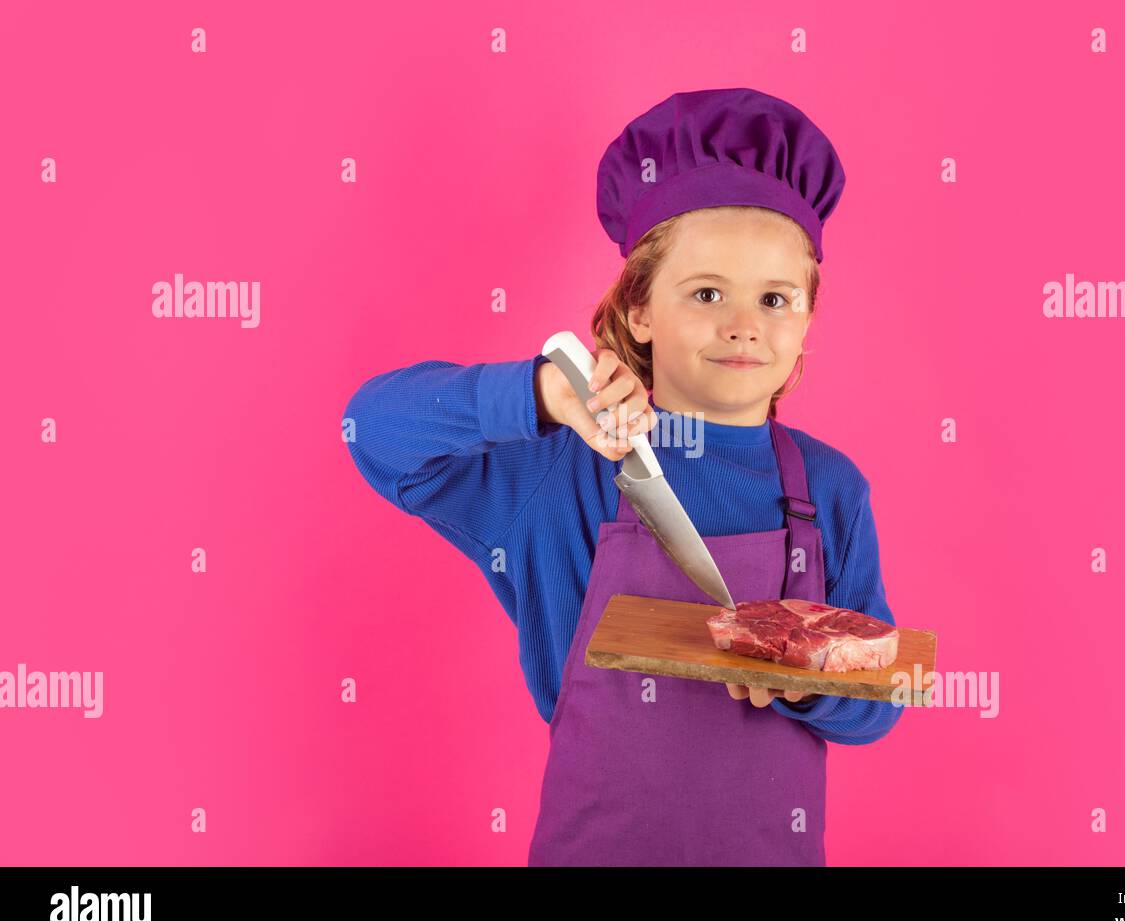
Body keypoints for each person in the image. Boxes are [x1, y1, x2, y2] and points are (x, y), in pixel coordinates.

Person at [344, 87, 905, 867]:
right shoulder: (562, 468)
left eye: (776, 298)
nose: (744, 323)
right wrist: (537, 394)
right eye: (707, 292)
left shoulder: (832, 488)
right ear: (639, 311)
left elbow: (884, 700)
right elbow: (372, 429)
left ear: (808, 317)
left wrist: (803, 676)